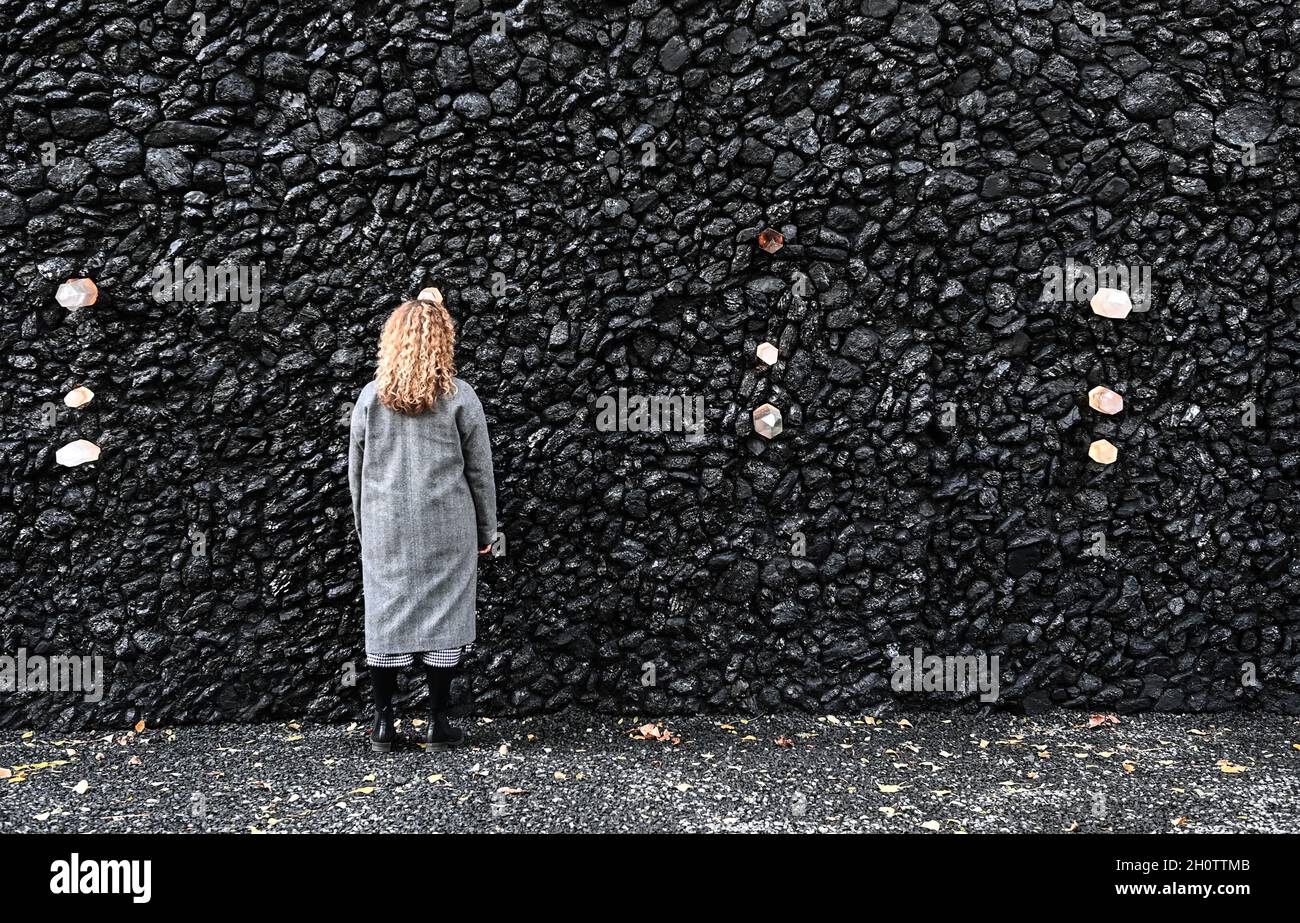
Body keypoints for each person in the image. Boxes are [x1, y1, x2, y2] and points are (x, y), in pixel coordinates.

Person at [348, 289, 497, 752]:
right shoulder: (460, 397)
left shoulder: (371, 398)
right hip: (447, 526)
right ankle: (436, 723)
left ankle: (384, 725)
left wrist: (364, 526)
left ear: (391, 340)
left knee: (385, 619)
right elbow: (479, 471)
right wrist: (487, 530)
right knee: (445, 619)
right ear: (442, 342)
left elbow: (356, 469)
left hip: (385, 527)